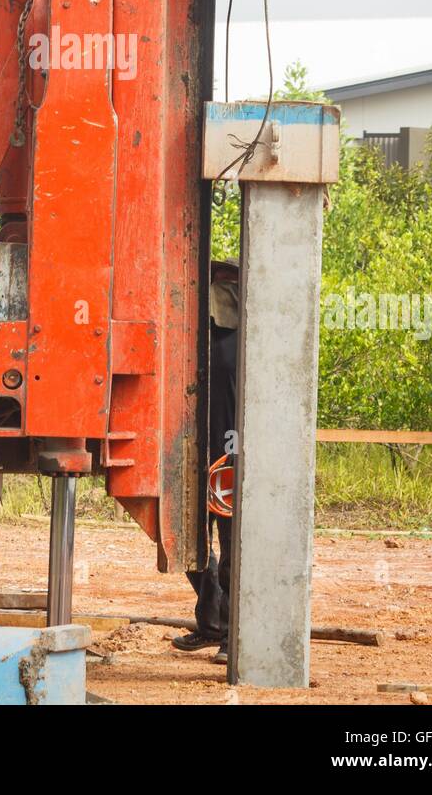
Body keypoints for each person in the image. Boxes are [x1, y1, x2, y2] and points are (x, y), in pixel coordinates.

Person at [172, 257, 238, 665]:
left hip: (226, 453)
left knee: (222, 543)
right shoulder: (204, 338)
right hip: (203, 448)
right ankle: (214, 622)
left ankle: (229, 630)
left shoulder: (227, 343)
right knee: (189, 538)